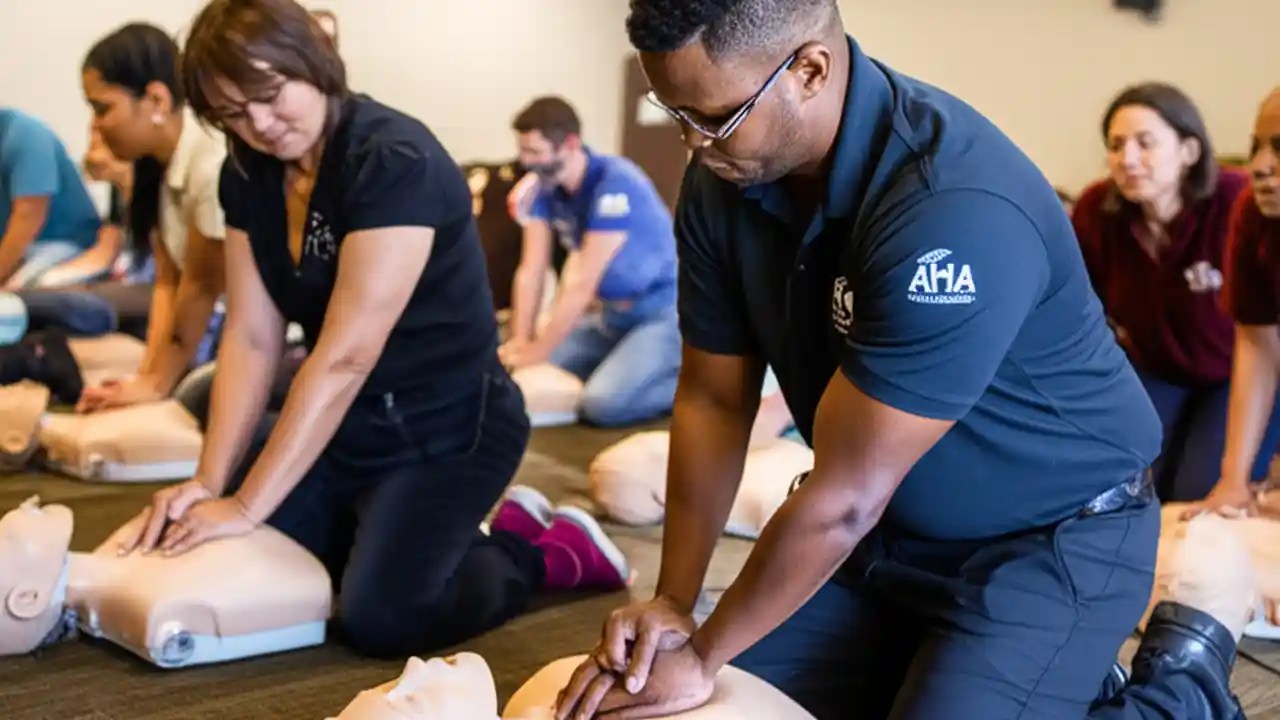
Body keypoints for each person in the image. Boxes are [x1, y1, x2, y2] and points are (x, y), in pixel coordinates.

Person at [555, 1, 1247, 718]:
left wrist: (701, 656)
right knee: (709, 708)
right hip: (887, 537)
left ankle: (1182, 689)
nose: (694, 144)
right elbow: (714, 398)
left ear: (810, 71)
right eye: (676, 114)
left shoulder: (951, 205)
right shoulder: (724, 176)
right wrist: (675, 600)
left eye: (715, 119)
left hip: (1050, 540)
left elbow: (847, 498)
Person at [111, 0, 628, 658]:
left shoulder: (392, 158)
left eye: (270, 96)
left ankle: (535, 551)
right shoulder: (247, 172)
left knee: (381, 617)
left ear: (315, 63)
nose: (260, 124)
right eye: (233, 114)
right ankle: (409, 533)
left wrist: (242, 506)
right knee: (228, 495)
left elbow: (347, 355)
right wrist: (208, 487)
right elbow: (249, 336)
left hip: (451, 426)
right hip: (353, 423)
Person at [1073, 83, 1280, 502]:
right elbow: (1077, 311)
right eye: (1116, 145)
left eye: (1144, 143)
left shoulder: (1234, 200)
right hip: (1155, 371)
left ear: (1189, 151)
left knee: (1194, 488)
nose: (1127, 159)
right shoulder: (1097, 212)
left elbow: (1260, 344)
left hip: (1227, 375)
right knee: (1127, 484)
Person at [57, 23, 230, 413]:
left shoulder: (209, 164)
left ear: (156, 99)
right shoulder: (161, 170)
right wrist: (147, 378)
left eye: (103, 108)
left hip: (241, 339)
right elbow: (168, 284)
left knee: (197, 401)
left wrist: (157, 384)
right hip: (208, 333)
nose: (96, 125)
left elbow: (201, 288)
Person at [499, 97, 681, 427]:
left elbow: (582, 281)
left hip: (662, 314)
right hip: (612, 316)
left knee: (602, 405)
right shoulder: (543, 189)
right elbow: (531, 270)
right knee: (534, 361)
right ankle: (626, 370)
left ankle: (697, 385)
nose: (527, 162)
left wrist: (535, 354)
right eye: (524, 151)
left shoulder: (615, 182)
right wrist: (522, 341)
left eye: (536, 152)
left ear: (569, 144)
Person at [1195, 89, 1280, 516]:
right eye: (1257, 147)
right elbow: (1258, 344)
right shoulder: (1251, 213)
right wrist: (1233, 479)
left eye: (1279, 148)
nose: (1260, 166)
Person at [0, 108, 103, 289]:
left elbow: (29, 217)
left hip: (63, 244)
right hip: (21, 251)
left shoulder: (25, 134)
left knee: (21, 290)